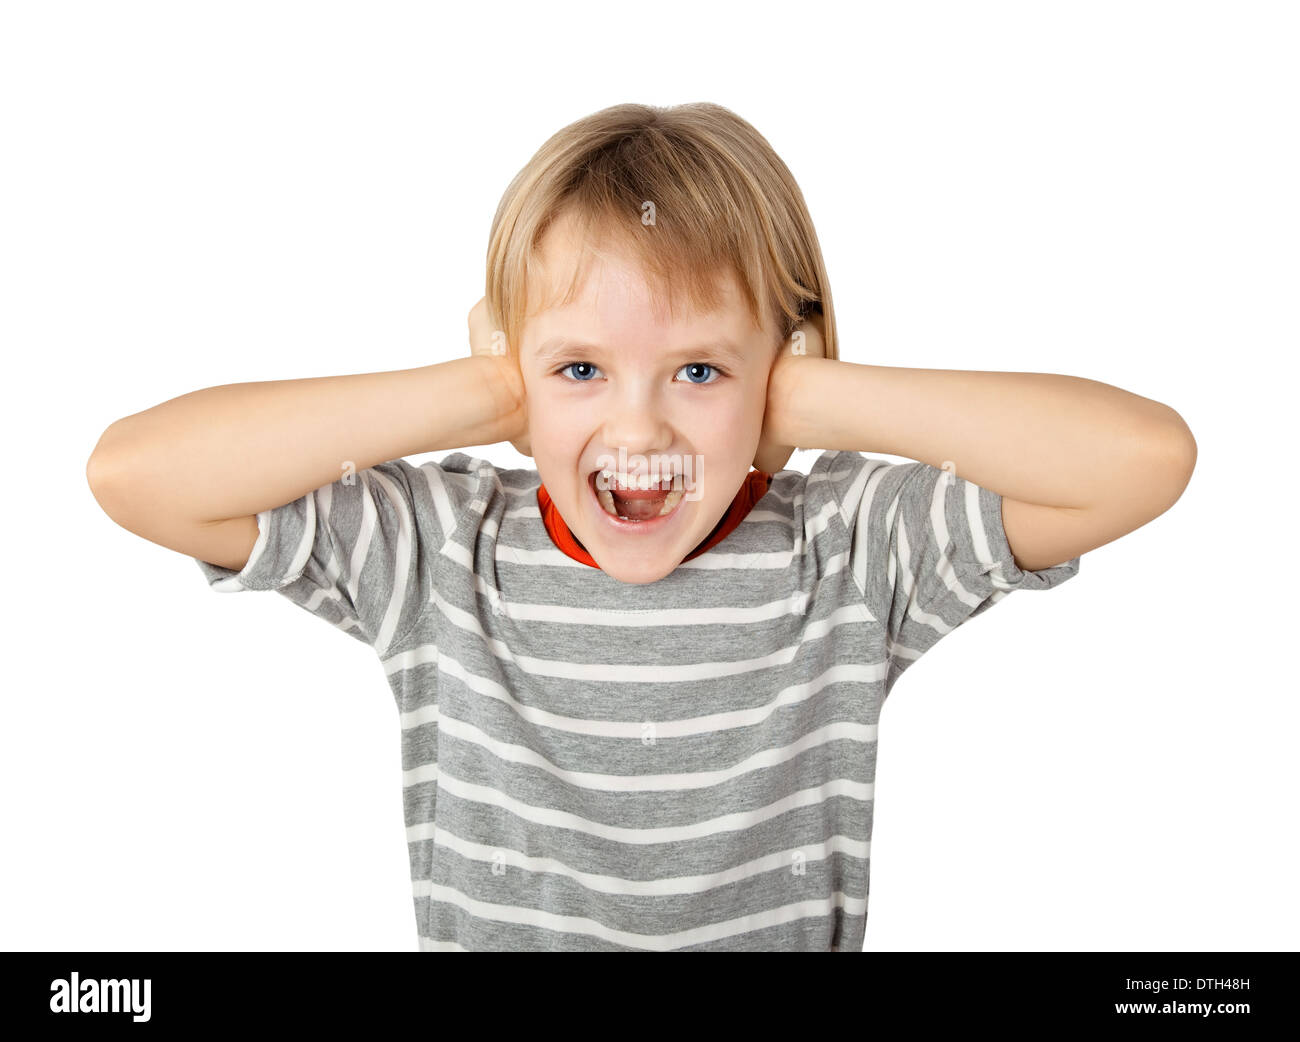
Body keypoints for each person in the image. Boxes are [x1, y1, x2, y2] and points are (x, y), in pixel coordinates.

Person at [85, 102, 1197, 951]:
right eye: (578, 366)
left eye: (700, 368)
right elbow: (140, 475)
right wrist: (482, 390)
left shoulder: (847, 552)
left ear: (781, 366)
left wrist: (811, 399)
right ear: (510, 367)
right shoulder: (440, 553)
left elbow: (1139, 461)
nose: (636, 423)